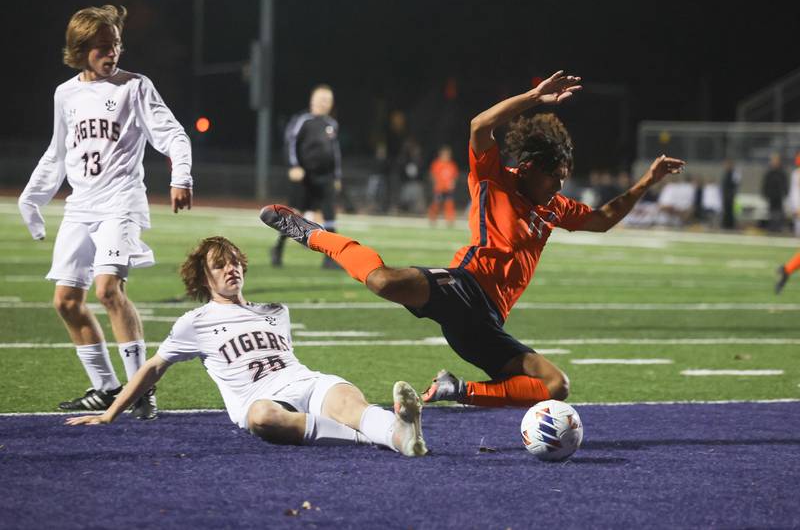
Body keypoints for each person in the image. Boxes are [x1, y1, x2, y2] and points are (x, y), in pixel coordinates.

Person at [260, 70, 685, 409]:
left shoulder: (554, 208)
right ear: (532, 166)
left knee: (556, 385)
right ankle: (314, 235)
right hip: (463, 287)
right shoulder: (495, 178)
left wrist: (648, 180)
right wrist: (535, 96)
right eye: (554, 176)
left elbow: (603, 219)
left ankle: (456, 390)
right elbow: (480, 124)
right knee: (383, 282)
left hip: (487, 322)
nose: (559, 185)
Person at [65, 237, 428, 457]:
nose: (231, 269)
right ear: (204, 279)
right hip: (261, 400)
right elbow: (154, 367)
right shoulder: (196, 322)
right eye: (220, 266)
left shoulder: (275, 312)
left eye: (235, 262)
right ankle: (386, 435)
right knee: (261, 419)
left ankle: (399, 435)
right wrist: (111, 412)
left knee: (349, 402)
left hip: (307, 382)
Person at [17, 5, 192, 419]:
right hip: (80, 207)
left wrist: (181, 175)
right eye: (102, 47)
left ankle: (141, 391)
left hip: (121, 202)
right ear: (80, 50)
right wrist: (32, 198)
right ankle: (106, 387)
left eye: (116, 44)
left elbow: (172, 134)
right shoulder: (66, 94)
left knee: (108, 290)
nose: (112, 53)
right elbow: (57, 154)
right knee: (65, 301)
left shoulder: (135, 87)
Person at [271, 85, 342, 269]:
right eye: (322, 99)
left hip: (325, 177)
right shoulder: (302, 120)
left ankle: (330, 258)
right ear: (313, 100)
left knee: (329, 215)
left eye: (328, 100)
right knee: (295, 214)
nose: (325, 103)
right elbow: (290, 143)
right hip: (304, 176)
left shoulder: (331, 124)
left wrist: (337, 176)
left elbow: (335, 153)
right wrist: (294, 166)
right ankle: (278, 248)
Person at [427, 145, 460, 226]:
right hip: (439, 188)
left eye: (448, 154)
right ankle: (432, 218)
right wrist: (435, 183)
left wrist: (453, 182)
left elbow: (455, 176)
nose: (446, 156)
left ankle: (450, 220)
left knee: (449, 204)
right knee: (436, 204)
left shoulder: (452, 165)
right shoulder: (437, 164)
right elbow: (432, 174)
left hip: (448, 189)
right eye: (445, 154)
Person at [761, 153, 788, 233]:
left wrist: (785, 193)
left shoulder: (782, 172)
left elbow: (785, 184)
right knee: (771, 213)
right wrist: (765, 194)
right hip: (771, 197)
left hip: (779, 197)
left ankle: (778, 229)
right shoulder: (769, 172)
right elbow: (765, 184)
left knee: (778, 213)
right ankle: (771, 229)